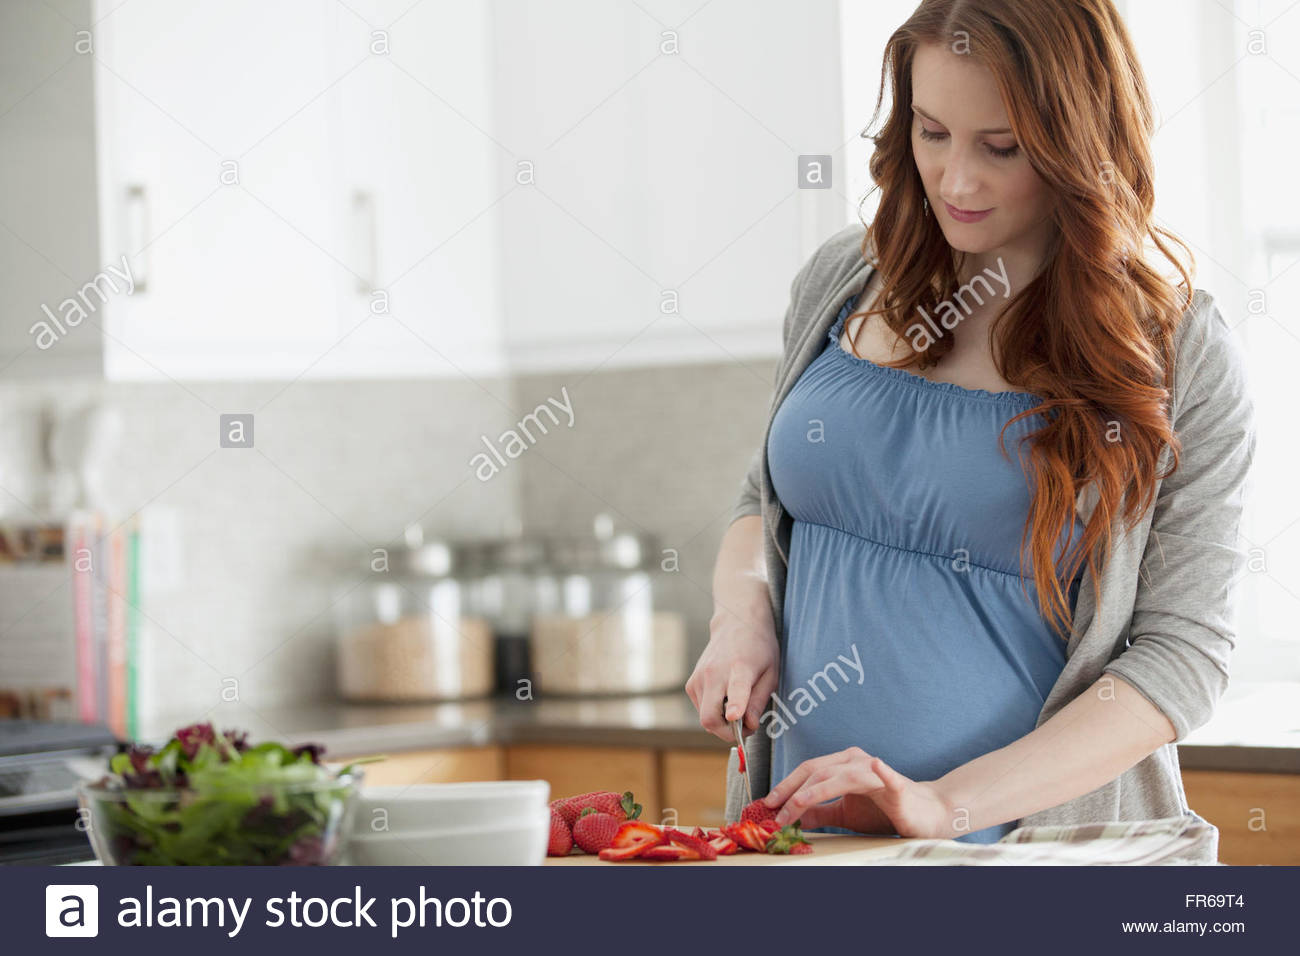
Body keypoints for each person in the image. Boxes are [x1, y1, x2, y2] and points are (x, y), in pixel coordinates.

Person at [685, 0, 1257, 849]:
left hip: (1032, 864)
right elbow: (762, 499)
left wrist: (939, 803)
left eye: (1002, 148)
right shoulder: (843, 280)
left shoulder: (1177, 350)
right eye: (930, 132)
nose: (956, 181)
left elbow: (1183, 657)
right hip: (809, 849)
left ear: (1078, 142)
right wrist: (742, 613)